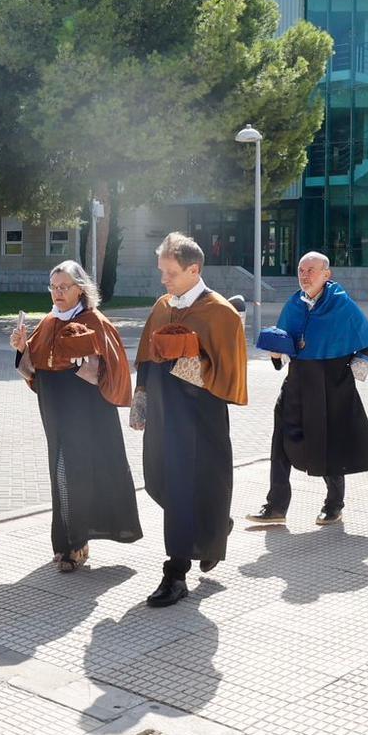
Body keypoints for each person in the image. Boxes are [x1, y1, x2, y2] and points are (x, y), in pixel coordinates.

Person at [131, 233, 248, 608]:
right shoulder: (162, 306)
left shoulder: (220, 313)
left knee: (184, 489)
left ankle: (176, 573)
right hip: (165, 416)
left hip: (200, 421)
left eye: (170, 272)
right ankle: (212, 527)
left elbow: (229, 374)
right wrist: (141, 400)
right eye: (162, 271)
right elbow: (147, 357)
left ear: (193, 269)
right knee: (159, 483)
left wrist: (185, 357)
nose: (163, 279)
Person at [13, 260, 140, 572]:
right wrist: (21, 349)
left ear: (80, 289)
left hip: (87, 413)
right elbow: (34, 372)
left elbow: (115, 367)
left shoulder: (95, 321)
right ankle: (65, 541)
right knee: (60, 473)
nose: (57, 293)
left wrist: (86, 360)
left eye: (63, 287)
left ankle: (76, 544)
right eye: (53, 287)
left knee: (77, 472)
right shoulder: (47, 323)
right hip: (55, 411)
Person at [248, 252, 368, 526]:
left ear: (327, 274)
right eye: (301, 270)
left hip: (331, 387)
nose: (304, 275)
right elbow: (285, 342)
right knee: (280, 442)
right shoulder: (294, 304)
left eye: (311, 270)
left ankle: (334, 504)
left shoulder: (342, 305)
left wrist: (349, 376)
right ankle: (276, 505)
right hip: (297, 383)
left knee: (330, 446)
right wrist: (278, 356)